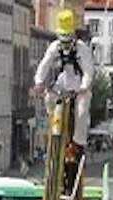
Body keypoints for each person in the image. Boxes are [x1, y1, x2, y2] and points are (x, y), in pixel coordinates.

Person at [34, 9, 94, 163]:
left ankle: (78, 143)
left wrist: (84, 86)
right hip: (62, 83)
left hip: (78, 86)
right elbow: (44, 64)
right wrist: (39, 82)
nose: (65, 45)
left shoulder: (81, 48)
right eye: (63, 41)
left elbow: (88, 70)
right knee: (49, 98)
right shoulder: (55, 47)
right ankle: (54, 123)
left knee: (81, 112)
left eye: (67, 42)